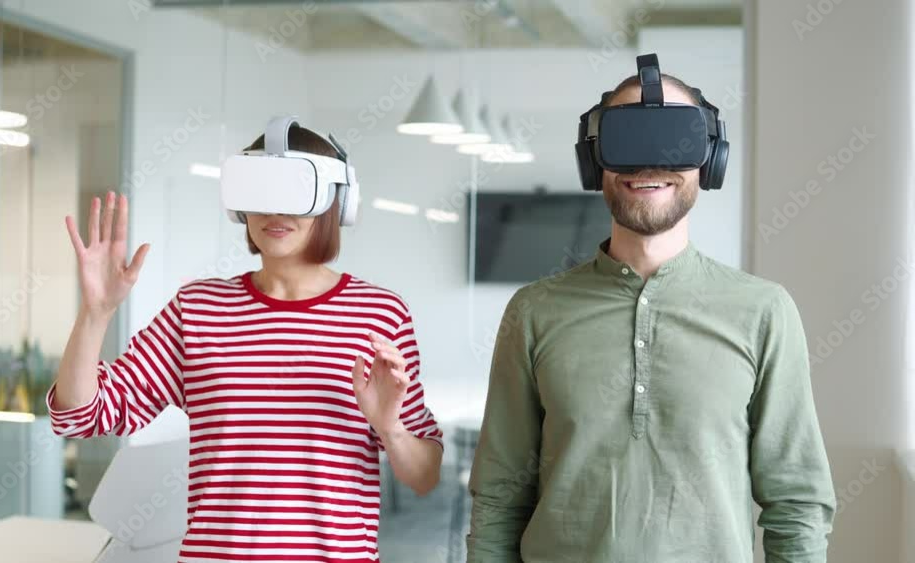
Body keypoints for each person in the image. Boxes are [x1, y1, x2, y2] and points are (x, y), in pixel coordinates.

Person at [465, 74, 836, 562]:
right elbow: (499, 498)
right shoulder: (534, 311)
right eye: (628, 139)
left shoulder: (764, 311)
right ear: (594, 160)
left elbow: (797, 503)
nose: (649, 163)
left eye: (672, 139)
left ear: (710, 159)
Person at [46, 124, 444, 562]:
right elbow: (79, 415)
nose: (274, 208)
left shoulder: (380, 314)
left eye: (295, 191)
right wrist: (96, 313)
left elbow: (424, 477)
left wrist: (390, 428)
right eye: (258, 189)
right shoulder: (198, 309)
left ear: (338, 201)